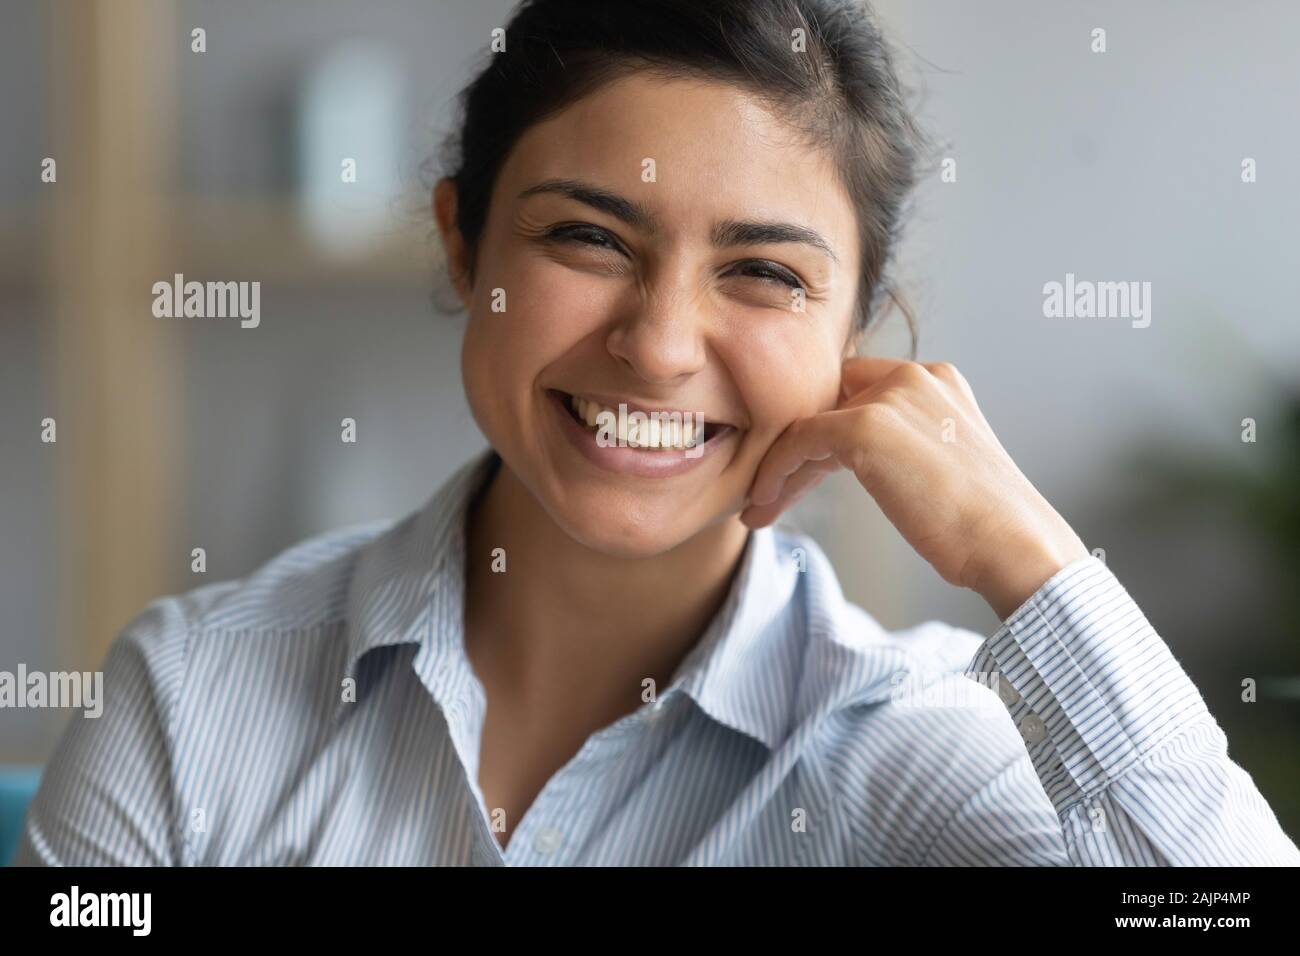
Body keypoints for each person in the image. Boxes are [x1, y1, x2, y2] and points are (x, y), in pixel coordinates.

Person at [17, 0, 1299, 866]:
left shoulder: (909, 741)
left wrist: (1030, 563)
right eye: (586, 238)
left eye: (764, 273)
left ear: (860, 329)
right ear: (463, 241)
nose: (661, 342)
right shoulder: (186, 698)